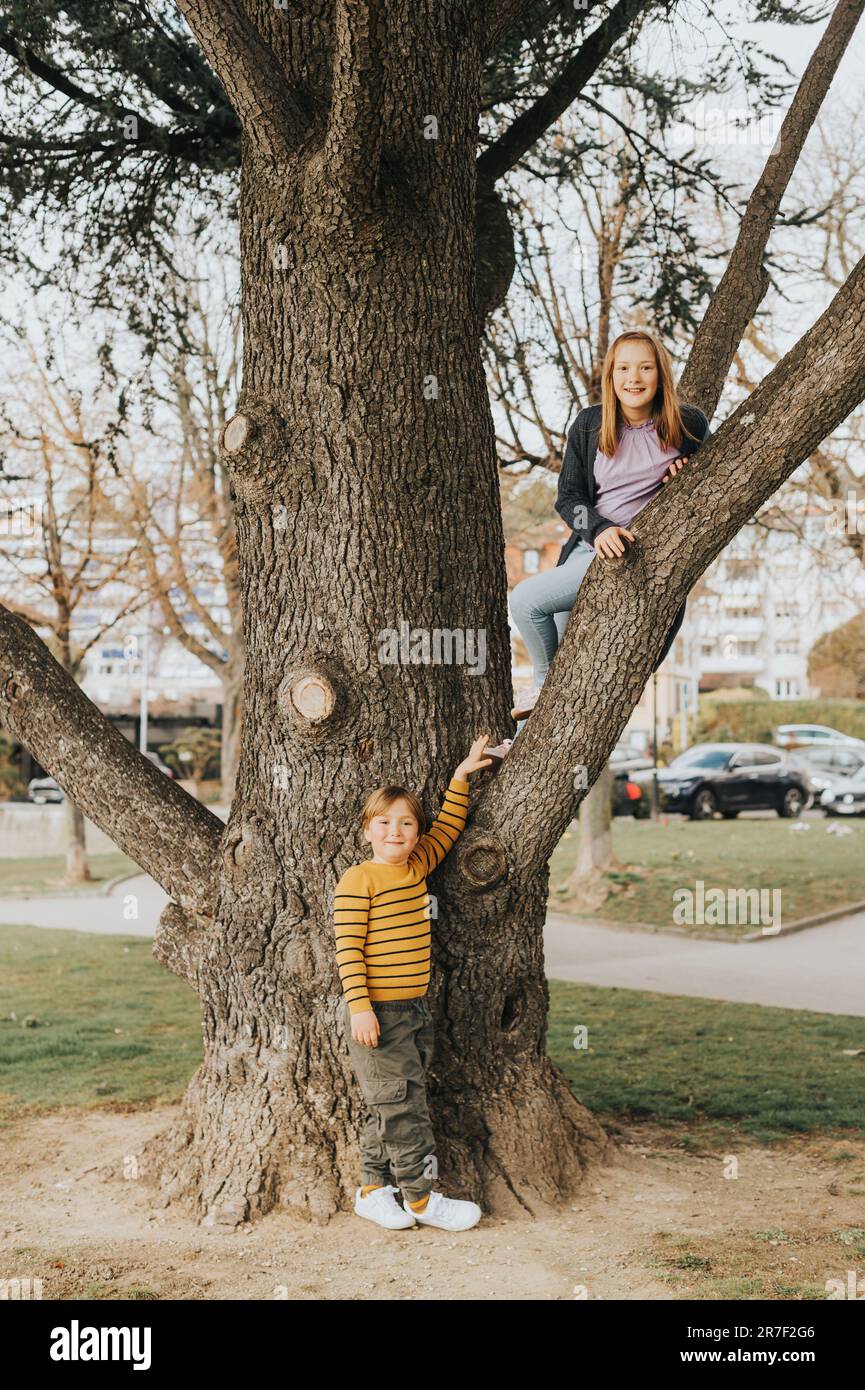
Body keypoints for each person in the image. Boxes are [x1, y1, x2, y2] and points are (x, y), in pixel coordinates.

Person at [509, 329, 711, 721]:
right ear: (611, 376)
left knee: (523, 600)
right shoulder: (589, 425)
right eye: (623, 368)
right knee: (553, 631)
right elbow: (568, 497)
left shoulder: (688, 426)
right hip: (590, 547)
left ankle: (542, 685)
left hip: (638, 555)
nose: (634, 378)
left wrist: (686, 475)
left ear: (661, 375)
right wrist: (599, 529)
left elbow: (710, 484)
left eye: (645, 368)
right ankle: (534, 716)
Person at [333, 734, 492, 1231]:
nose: (395, 831)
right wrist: (360, 1009)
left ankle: (373, 1189)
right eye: (384, 823)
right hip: (377, 1016)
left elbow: (448, 828)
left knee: (392, 1102)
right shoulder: (359, 880)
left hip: (414, 1009)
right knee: (405, 1110)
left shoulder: (417, 866)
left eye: (406, 823)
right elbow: (348, 949)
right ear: (367, 832)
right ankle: (421, 1199)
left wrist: (461, 777)